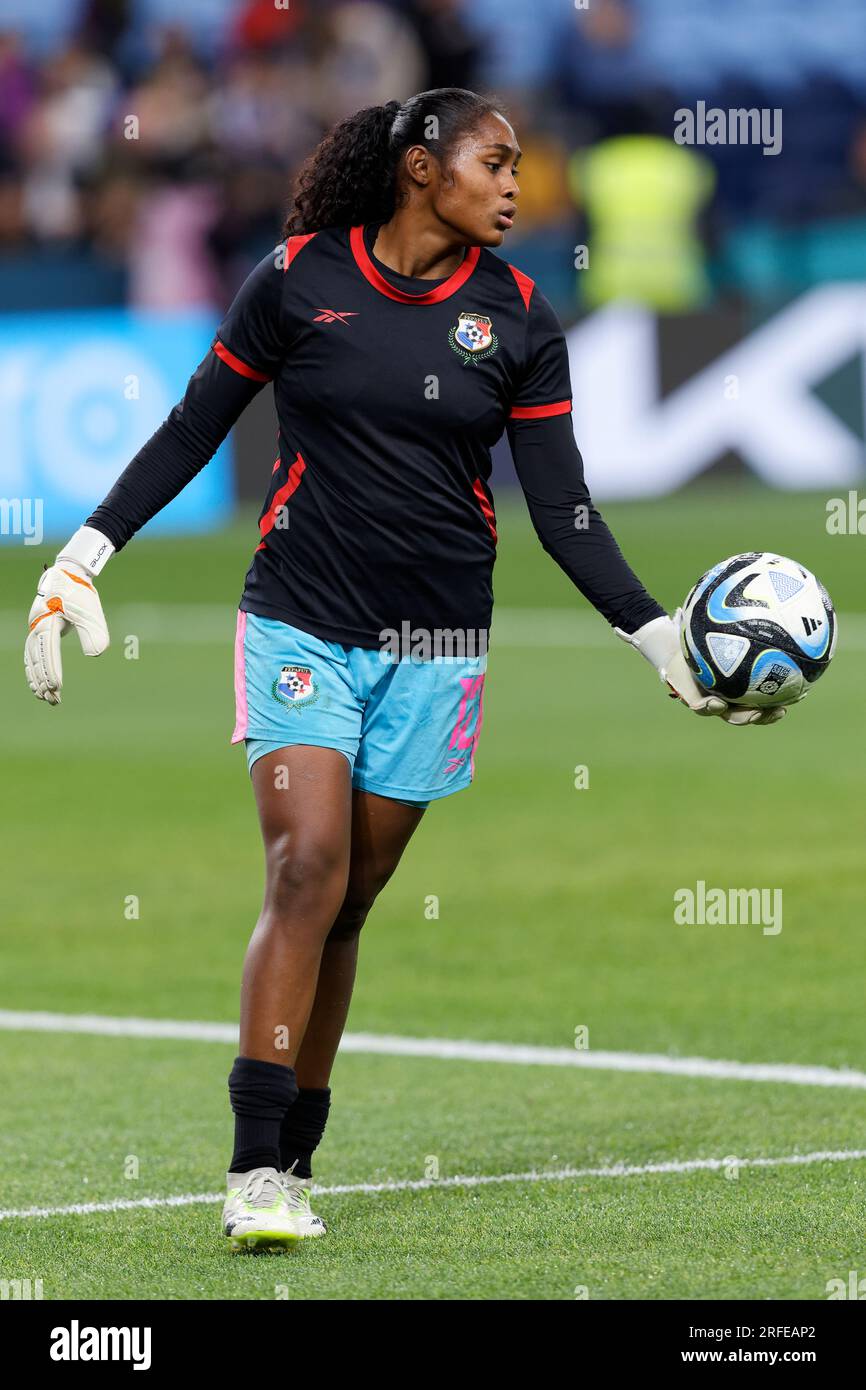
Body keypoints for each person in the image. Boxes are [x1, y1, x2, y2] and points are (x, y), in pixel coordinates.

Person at [23, 87, 785, 1255]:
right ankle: (251, 1170)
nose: (517, 182)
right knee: (304, 866)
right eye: (495, 160)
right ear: (422, 168)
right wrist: (84, 554)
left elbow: (565, 511)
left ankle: (296, 1150)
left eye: (520, 163)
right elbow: (193, 424)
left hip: (437, 646)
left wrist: (653, 638)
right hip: (298, 619)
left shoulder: (521, 316)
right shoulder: (295, 279)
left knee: (348, 905)